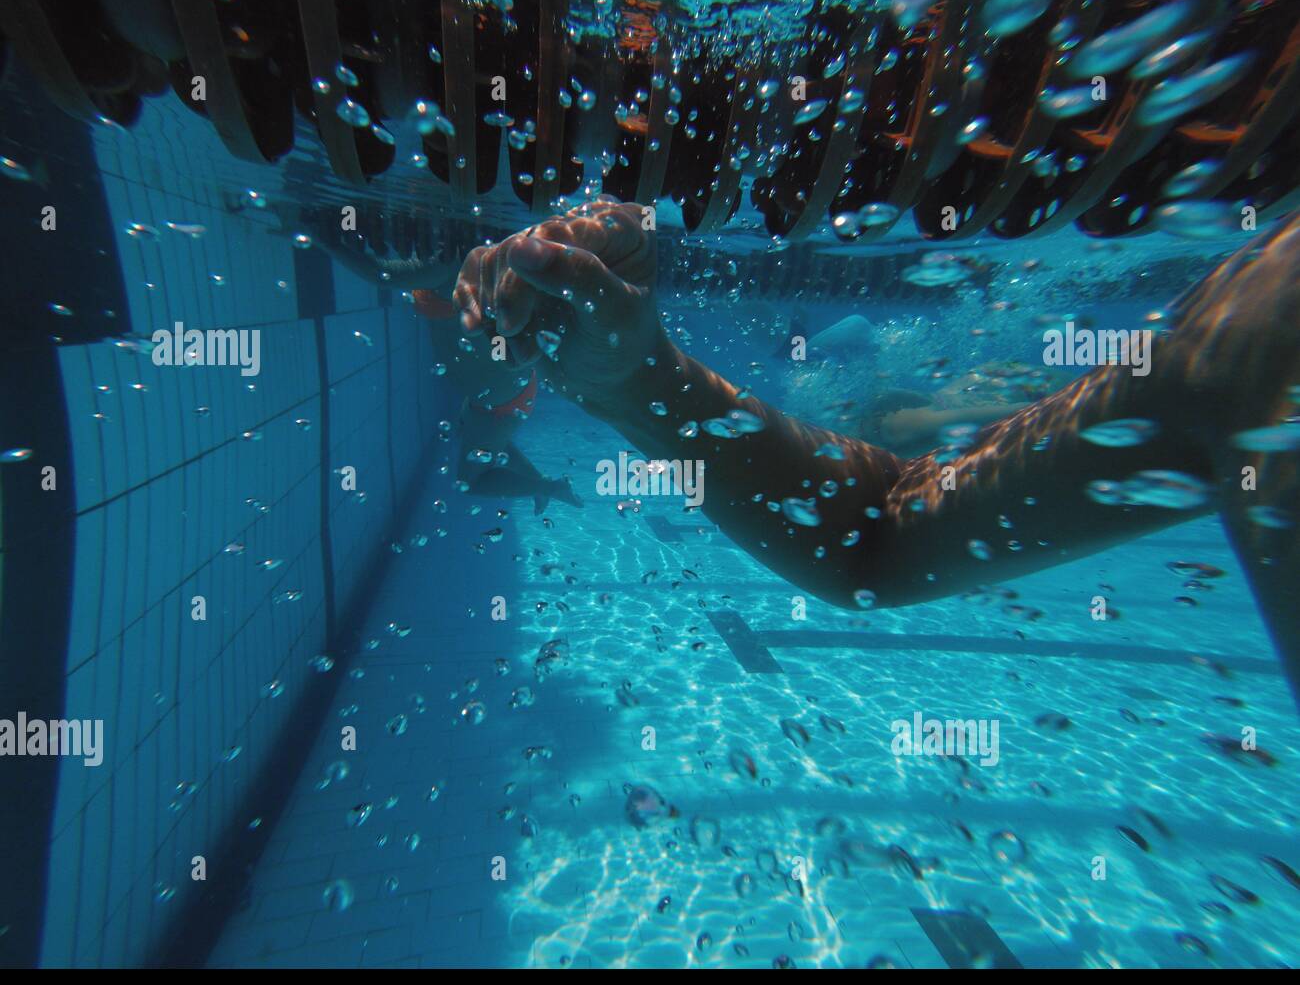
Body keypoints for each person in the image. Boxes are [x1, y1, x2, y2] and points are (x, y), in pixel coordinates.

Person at [452, 198, 1300, 700]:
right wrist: (635, 380)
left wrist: (636, 384)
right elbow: (880, 531)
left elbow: (878, 527)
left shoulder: (1254, 322)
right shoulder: (1258, 325)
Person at [277, 202, 583, 514]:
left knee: (471, 481)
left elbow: (382, 274)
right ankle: (541, 484)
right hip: (500, 392)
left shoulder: (451, 264)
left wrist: (316, 233)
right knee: (483, 438)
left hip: (502, 399)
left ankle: (548, 487)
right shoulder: (463, 260)